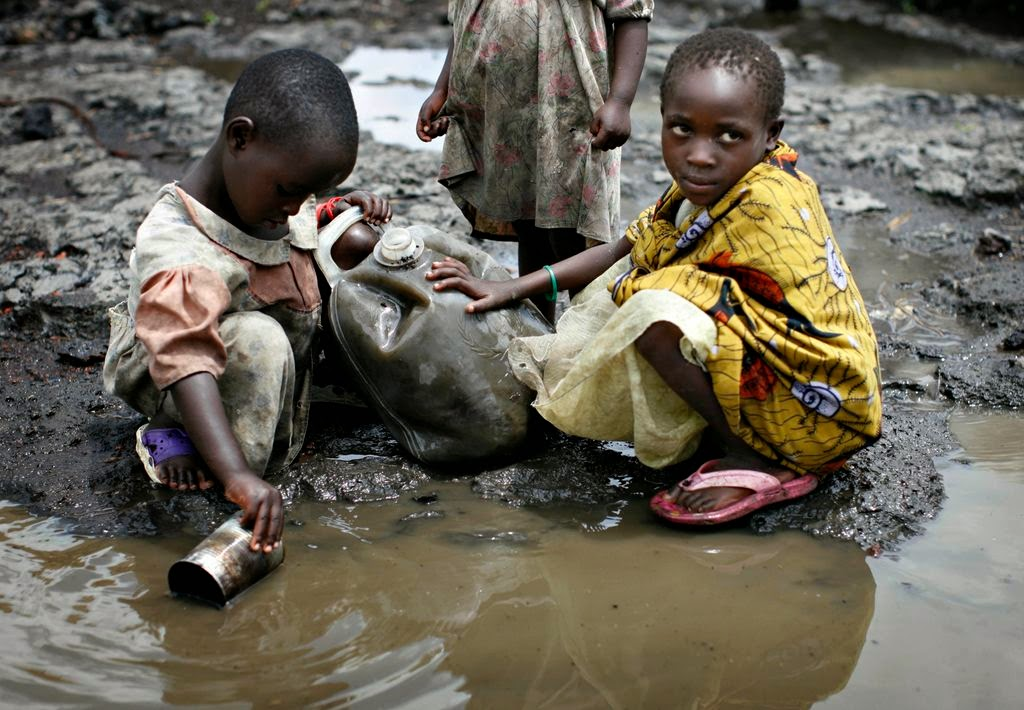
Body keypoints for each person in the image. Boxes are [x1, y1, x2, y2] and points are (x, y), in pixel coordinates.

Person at [426, 28, 883, 525]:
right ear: (662, 121)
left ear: (770, 133)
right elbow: (623, 248)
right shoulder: (701, 191)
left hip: (823, 405)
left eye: (729, 135)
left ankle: (759, 458)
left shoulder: (769, 202)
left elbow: (665, 289)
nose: (700, 154)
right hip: (771, 372)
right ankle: (724, 429)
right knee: (628, 283)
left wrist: (635, 293)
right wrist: (508, 288)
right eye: (682, 129)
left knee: (649, 312)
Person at [103, 49, 391, 552]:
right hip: (185, 372)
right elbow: (185, 356)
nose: (294, 207)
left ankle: (299, 390)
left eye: (308, 194)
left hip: (273, 330)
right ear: (240, 138)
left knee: (356, 243)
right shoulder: (179, 247)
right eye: (289, 190)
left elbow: (297, 226)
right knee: (260, 343)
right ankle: (172, 434)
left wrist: (333, 208)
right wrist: (238, 475)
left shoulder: (268, 196)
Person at [416, 0, 653, 322]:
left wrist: (620, 101)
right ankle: (537, 325)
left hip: (569, 111)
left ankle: (586, 327)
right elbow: (464, 18)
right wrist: (441, 89)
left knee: (572, 228)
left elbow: (631, 14)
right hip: (500, 109)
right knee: (527, 219)